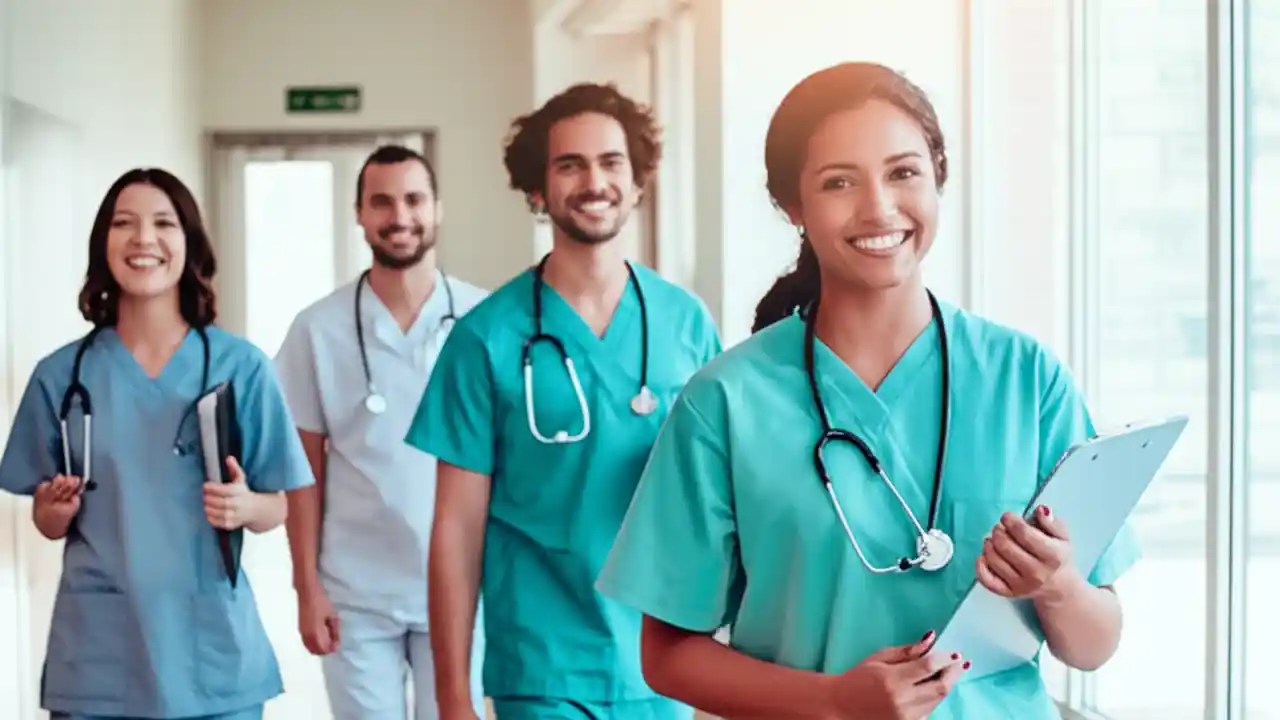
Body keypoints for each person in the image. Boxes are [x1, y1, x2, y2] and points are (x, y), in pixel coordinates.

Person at [595, 62, 1141, 720]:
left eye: (903, 172)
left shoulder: (1028, 381)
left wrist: (1057, 587)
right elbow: (668, 655)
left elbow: (1094, 645)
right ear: (792, 206)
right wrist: (834, 702)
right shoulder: (725, 403)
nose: (878, 207)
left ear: (938, 177)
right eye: (839, 182)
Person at [405, 83, 722, 720]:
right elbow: (456, 529)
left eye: (610, 162)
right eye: (570, 165)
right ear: (537, 189)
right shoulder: (486, 339)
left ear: (637, 182)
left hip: (665, 664)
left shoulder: (686, 324)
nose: (593, 181)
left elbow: (719, 496)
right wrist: (451, 695)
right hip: (542, 664)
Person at [0, 167, 313, 719]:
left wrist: (246, 506)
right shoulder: (61, 376)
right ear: (103, 244)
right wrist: (53, 510)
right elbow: (46, 521)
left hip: (211, 654)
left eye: (164, 223)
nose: (144, 238)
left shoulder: (241, 368)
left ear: (189, 244)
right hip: (101, 658)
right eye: (125, 223)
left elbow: (277, 506)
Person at [273, 145, 488, 719]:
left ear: (437, 208)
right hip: (355, 594)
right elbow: (303, 474)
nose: (400, 217)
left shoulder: (484, 319)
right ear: (360, 214)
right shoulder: (317, 329)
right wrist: (306, 588)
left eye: (414, 200)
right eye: (382, 202)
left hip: (462, 589)